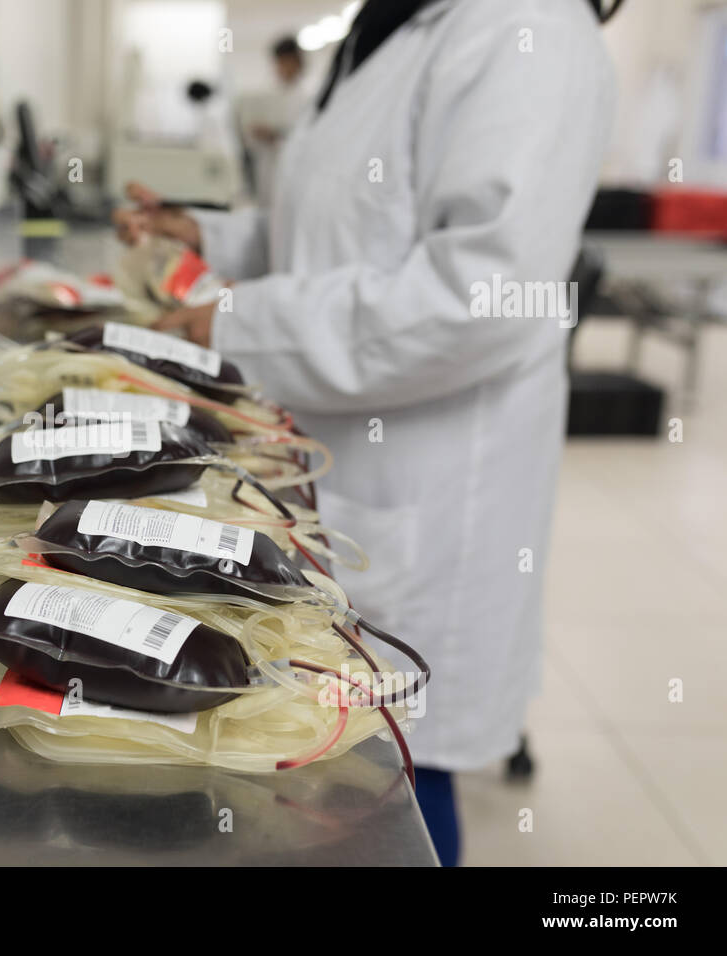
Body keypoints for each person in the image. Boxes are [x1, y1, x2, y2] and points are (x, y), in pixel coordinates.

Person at [114, 0, 623, 866]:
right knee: (324, 771)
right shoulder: (384, 23)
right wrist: (213, 234)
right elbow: (331, 237)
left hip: (428, 501)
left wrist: (236, 323)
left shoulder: (526, 29)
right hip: (333, 471)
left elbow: (479, 296)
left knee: (392, 790)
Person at [247, 36, 315, 204]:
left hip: (297, 171)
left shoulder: (310, 97)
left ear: (299, 63)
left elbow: (310, 138)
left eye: (288, 62)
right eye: (280, 62)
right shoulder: (267, 95)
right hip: (269, 167)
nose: (283, 68)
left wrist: (278, 135)